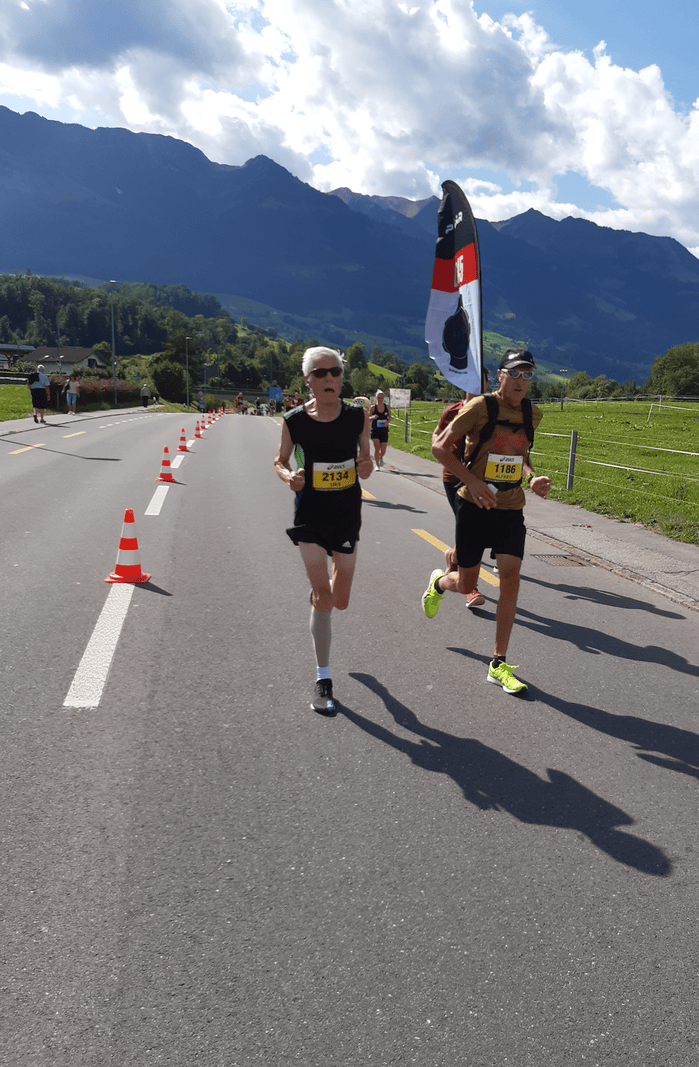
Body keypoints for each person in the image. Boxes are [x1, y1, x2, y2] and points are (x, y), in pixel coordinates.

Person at [424, 349, 551, 695]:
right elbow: (438, 447)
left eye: (528, 375)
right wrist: (473, 481)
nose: (522, 381)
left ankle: (498, 662)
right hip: (474, 504)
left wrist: (531, 477)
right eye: (516, 374)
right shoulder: (479, 408)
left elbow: (519, 454)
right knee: (466, 585)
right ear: (500, 376)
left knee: (510, 577)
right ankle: (439, 584)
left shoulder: (532, 413)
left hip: (510, 506)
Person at [274, 346, 373, 714]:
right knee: (323, 596)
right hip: (311, 516)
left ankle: (322, 604)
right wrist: (289, 477)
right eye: (321, 373)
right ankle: (323, 677)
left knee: (340, 600)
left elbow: (367, 459)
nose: (329, 378)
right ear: (308, 381)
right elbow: (279, 460)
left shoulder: (356, 416)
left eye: (335, 372)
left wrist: (366, 467)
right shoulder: (294, 420)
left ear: (342, 378)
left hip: (347, 514)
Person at [433, 366, 491, 609]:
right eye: (472, 380)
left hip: (480, 479)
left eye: (482, 381)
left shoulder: (492, 412)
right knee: (470, 530)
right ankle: (470, 587)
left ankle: (454, 557)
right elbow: (436, 440)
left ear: (489, 385)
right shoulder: (453, 411)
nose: (477, 385)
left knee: (478, 531)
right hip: (454, 478)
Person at [369, 389, 391, 469]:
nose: (380, 399)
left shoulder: (386, 407)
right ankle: (377, 464)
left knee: (383, 450)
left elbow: (389, 416)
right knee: (377, 448)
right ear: (376, 398)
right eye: (378, 397)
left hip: (384, 430)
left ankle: (380, 457)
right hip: (375, 430)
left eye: (381, 397)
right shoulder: (373, 407)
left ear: (383, 398)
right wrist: (373, 417)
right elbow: (368, 418)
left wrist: (387, 422)